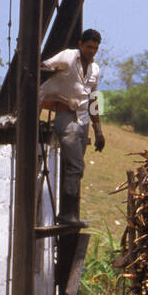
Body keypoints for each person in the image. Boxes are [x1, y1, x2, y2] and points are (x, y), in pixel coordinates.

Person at [38, 28, 105, 226]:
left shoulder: (95, 69)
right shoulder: (67, 57)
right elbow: (42, 69)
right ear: (80, 44)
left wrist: (98, 130)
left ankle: (69, 213)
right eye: (89, 47)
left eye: (95, 48)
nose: (91, 51)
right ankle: (68, 215)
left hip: (83, 119)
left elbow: (94, 98)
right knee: (76, 166)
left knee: (75, 168)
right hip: (65, 115)